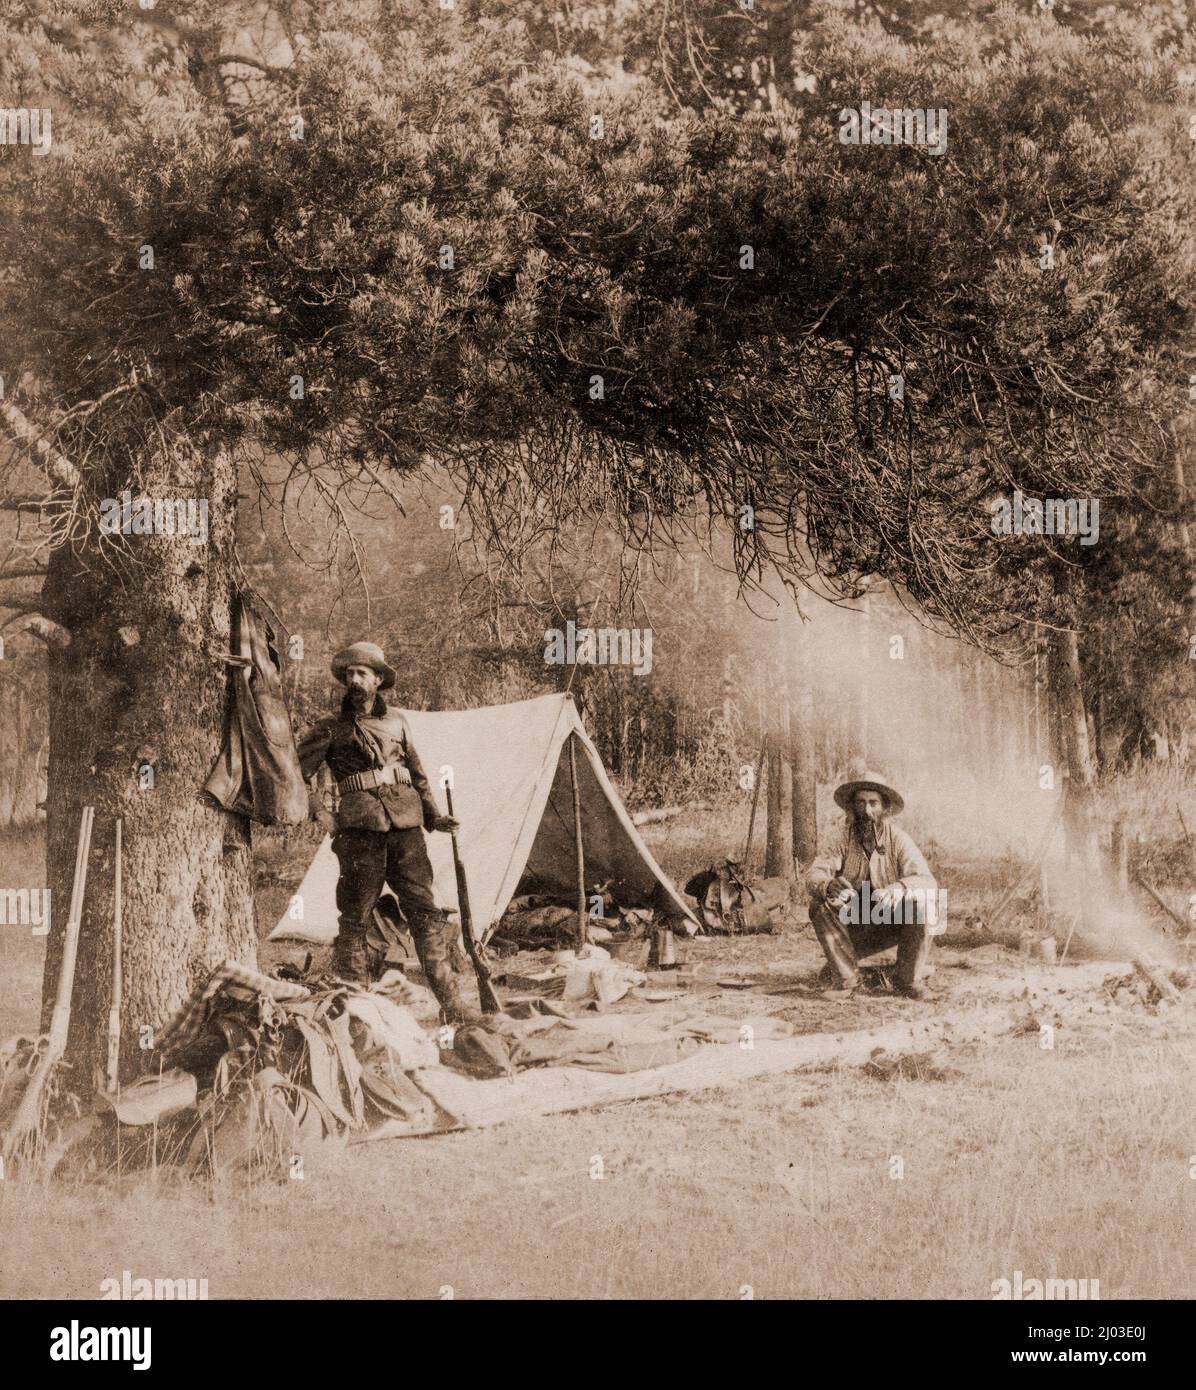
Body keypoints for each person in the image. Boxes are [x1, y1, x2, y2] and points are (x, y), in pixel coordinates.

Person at [297, 641, 482, 1022]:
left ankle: (454, 1007)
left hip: (406, 831)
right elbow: (296, 772)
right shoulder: (330, 727)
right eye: (349, 673)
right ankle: (353, 1011)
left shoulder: (398, 721)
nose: (354, 679)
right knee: (355, 918)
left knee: (426, 912)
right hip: (359, 833)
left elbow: (417, 773)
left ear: (378, 679)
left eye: (362, 672)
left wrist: (432, 817)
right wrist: (321, 812)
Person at [806, 771, 938, 999]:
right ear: (852, 807)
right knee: (819, 905)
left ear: (884, 808)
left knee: (924, 905)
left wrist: (899, 888)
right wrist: (828, 884)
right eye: (860, 803)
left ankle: (909, 981)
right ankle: (847, 980)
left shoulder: (898, 839)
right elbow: (813, 874)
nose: (867, 811)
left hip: (888, 923)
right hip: (851, 929)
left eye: (873, 803)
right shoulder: (840, 838)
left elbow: (928, 881)